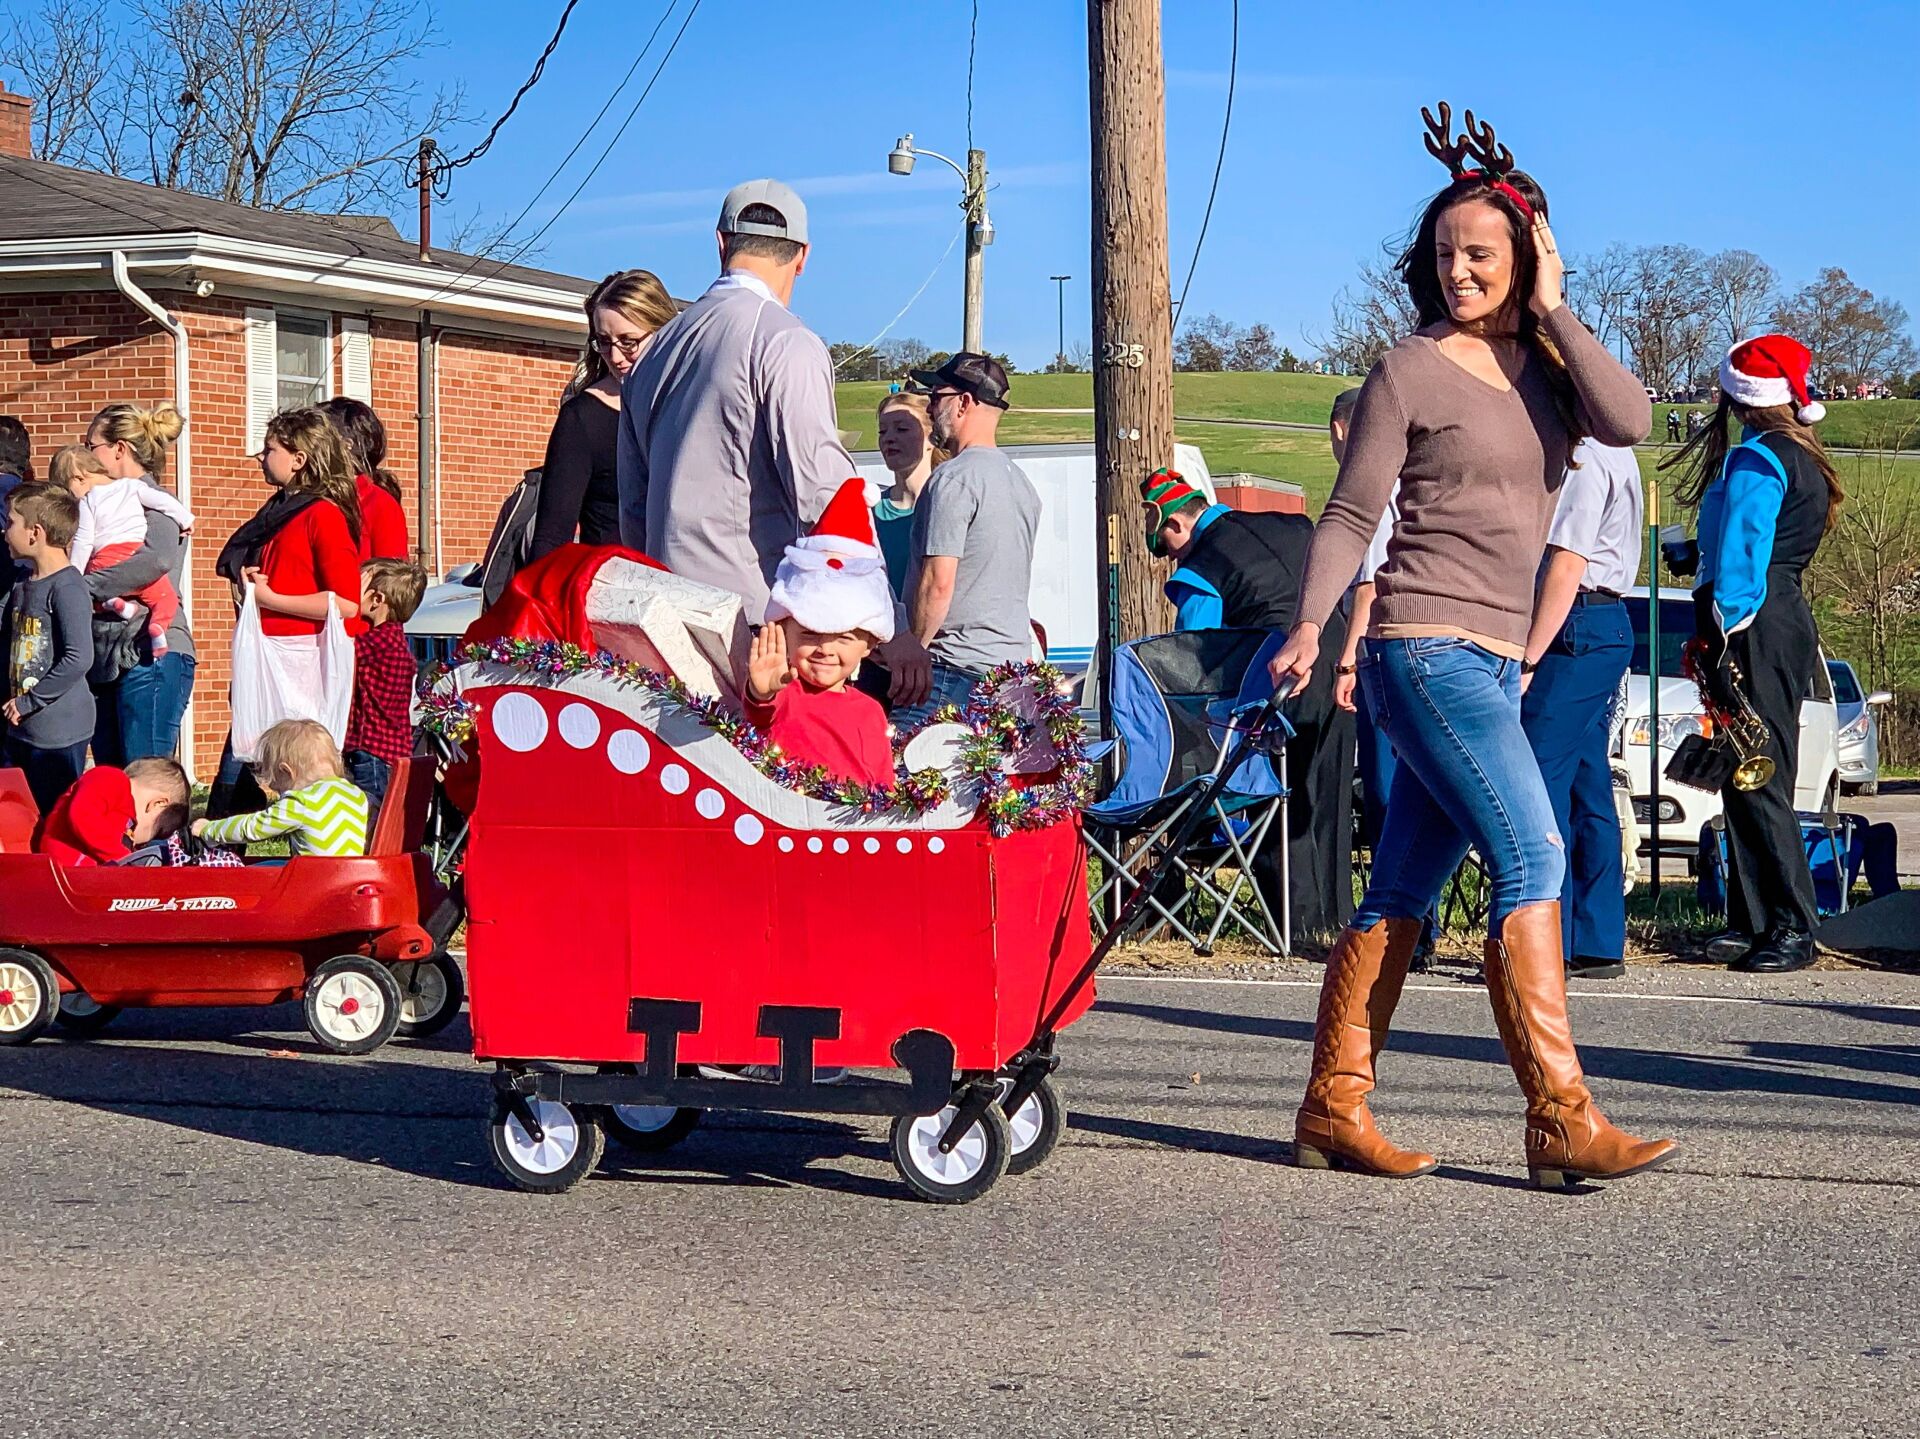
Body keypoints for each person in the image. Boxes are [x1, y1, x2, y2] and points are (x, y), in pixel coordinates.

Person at [1267, 103, 1672, 1188]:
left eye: (1481, 253)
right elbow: (1353, 515)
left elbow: (1632, 421)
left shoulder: (1548, 373)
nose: (1459, 271)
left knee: (1400, 886)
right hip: (1424, 645)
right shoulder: (1412, 367)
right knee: (1533, 854)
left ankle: (1332, 1105)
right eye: (1446, 254)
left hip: (1494, 657)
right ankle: (1560, 1117)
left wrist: (1557, 307)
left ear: (1526, 255)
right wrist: (1312, 621)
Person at [1663, 334, 1840, 974]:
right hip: (1783, 619)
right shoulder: (1802, 457)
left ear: (1741, 398)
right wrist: (1695, 563)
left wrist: (1718, 631)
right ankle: (1756, 917)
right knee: (1750, 771)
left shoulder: (1757, 459)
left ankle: (1792, 925)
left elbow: (1744, 562)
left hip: (1754, 627)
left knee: (1757, 773)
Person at [1142, 468, 1356, 936]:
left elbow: (1195, 652)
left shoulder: (1200, 567)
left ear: (1175, 525)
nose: (1173, 560)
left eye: (1169, 547)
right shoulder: (1290, 524)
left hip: (1280, 677)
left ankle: (1295, 924)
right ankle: (1338, 921)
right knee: (1329, 796)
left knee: (1275, 797)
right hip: (1337, 658)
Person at [1519, 439, 1645, 980]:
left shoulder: (1585, 458)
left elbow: (1568, 563)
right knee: (1586, 782)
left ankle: (1545, 942)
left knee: (1537, 779)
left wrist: (1528, 656)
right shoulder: (1617, 452)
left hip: (1576, 625)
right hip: (1603, 622)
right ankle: (1595, 937)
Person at [207, 408, 362, 819]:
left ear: (299, 459)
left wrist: (270, 599)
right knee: (242, 758)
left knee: (296, 770)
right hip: (268, 654)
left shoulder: (322, 515)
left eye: (269, 449)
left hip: (299, 664)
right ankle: (223, 851)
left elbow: (346, 604)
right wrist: (250, 581)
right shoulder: (279, 511)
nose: (260, 457)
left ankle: (294, 850)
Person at [892, 353, 1039, 729]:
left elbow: (938, 583)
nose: (929, 408)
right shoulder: (1021, 484)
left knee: (904, 782)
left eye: (936, 397)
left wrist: (912, 652)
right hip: (1013, 680)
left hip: (950, 673)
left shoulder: (953, 479)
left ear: (964, 402)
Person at [745, 478, 895, 786]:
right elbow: (761, 712)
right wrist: (761, 691)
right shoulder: (785, 693)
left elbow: (883, 788)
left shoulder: (870, 712)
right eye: (810, 634)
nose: (825, 649)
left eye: (843, 637)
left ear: (869, 643)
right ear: (786, 630)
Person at [79, 403, 196, 765]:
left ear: (119, 449)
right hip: (107, 654)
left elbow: (155, 560)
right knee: (113, 781)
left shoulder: (156, 503)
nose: (86, 455)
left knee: (146, 777)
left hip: (151, 653)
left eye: (90, 446)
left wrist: (82, 588)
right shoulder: (98, 503)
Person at [533, 270, 677, 563]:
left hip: (686, 588)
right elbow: (550, 537)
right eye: (604, 341)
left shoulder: (689, 405)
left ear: (664, 333)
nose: (615, 356)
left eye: (628, 341)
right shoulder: (582, 418)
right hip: (611, 594)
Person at [2, 483, 95, 812]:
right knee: (18, 817)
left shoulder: (68, 587)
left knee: (53, 817)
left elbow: (79, 657)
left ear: (34, 532)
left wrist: (30, 701)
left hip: (58, 734)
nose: (4, 530)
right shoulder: (21, 585)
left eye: (11, 522)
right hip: (20, 730)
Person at [53, 443, 195, 656]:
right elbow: (163, 501)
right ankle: (158, 627)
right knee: (166, 598)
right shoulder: (131, 487)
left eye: (70, 492)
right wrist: (186, 520)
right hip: (132, 553)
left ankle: (114, 603)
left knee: (99, 589)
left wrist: (75, 575)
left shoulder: (88, 502)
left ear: (79, 479)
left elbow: (84, 543)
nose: (74, 499)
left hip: (103, 558)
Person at [195, 717, 369, 858]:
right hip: (350, 882)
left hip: (315, 886)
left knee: (251, 880)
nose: (274, 789)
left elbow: (252, 827)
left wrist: (209, 830)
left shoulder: (303, 802)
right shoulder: (356, 794)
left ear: (287, 772)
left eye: (276, 784)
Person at [343, 558, 425, 811]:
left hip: (371, 753)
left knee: (369, 821)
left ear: (377, 600)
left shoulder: (378, 644)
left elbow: (338, 650)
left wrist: (348, 605)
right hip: (386, 752)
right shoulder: (394, 641)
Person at [34, 756, 189, 865]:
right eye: (147, 840)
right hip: (64, 868)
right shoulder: (112, 778)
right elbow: (82, 816)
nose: (136, 844)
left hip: (82, 874)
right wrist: (121, 858)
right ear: (157, 804)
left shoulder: (122, 812)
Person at [871, 390, 948, 598]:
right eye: (882, 432)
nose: (889, 439)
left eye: (902, 429)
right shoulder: (867, 512)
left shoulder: (947, 509)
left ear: (933, 437)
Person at [318, 398, 409, 562]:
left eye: (318, 439)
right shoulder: (309, 498)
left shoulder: (380, 504)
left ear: (346, 445)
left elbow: (392, 579)